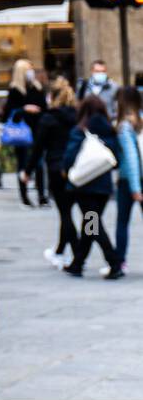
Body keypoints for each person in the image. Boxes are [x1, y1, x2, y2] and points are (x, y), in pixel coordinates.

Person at [63, 95, 123, 279]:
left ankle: (113, 262)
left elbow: (70, 157)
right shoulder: (109, 131)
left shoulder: (81, 130)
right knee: (91, 223)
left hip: (85, 186)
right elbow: (117, 159)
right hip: (104, 187)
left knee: (93, 224)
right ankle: (77, 263)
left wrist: (67, 170)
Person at [27, 78, 80, 267]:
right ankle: (66, 250)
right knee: (90, 215)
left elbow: (38, 148)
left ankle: (80, 254)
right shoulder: (79, 117)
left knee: (66, 213)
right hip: (83, 171)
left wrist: (27, 171)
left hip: (58, 169)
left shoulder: (49, 118)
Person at [3, 59, 46, 206]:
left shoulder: (37, 88)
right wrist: (24, 109)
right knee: (22, 164)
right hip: (21, 133)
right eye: (28, 69)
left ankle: (42, 196)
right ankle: (25, 196)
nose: (31, 72)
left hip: (37, 131)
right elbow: (8, 114)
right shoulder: (15, 91)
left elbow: (44, 109)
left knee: (39, 164)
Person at [113, 86, 143, 274]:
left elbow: (131, 158)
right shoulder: (139, 123)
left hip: (128, 181)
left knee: (122, 222)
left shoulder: (124, 126)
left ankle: (119, 261)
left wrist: (135, 187)